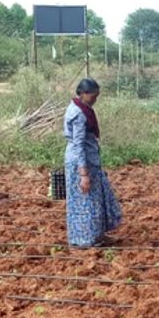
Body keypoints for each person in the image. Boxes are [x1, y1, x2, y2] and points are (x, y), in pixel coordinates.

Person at [63, 78, 121, 248]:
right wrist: (83, 174)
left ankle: (96, 236)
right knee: (85, 202)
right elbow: (78, 145)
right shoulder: (79, 114)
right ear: (83, 93)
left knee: (93, 201)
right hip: (81, 163)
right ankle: (85, 240)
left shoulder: (80, 108)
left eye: (97, 96)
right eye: (93, 96)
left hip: (87, 161)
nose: (95, 99)